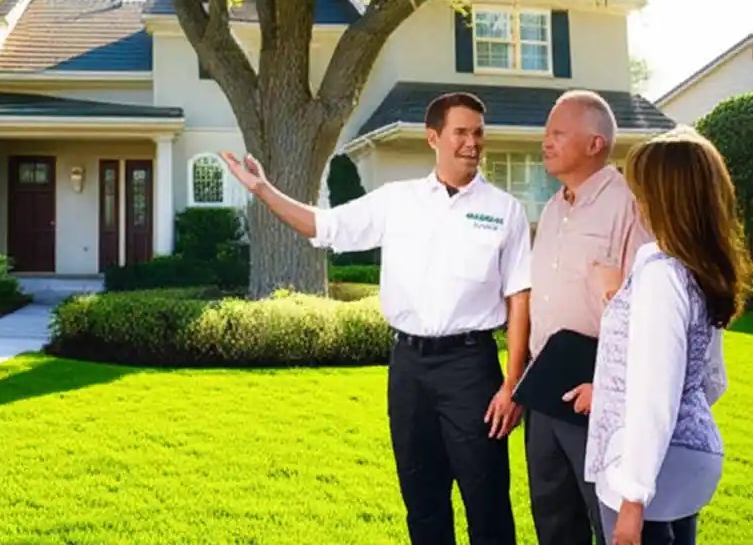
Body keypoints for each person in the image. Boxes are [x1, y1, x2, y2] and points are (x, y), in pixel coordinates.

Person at [221, 92, 531, 545]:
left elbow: (519, 296)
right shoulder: (396, 201)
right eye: (461, 132)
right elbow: (321, 226)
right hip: (408, 368)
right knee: (422, 502)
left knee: (487, 504)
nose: (472, 143)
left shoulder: (506, 210)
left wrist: (512, 385)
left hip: (471, 370)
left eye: (478, 133)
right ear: (434, 138)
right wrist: (263, 191)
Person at [583, 125, 752, 545]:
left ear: (665, 198)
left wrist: (633, 499)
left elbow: (653, 393)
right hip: (689, 457)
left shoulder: (662, 274)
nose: (635, 200)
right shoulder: (698, 268)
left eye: (641, 189)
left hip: (647, 473)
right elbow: (710, 380)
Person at [526, 90, 653, 545]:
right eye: (546, 133)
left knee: (605, 517)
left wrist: (610, 385)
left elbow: (645, 305)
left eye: (558, 133)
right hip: (544, 386)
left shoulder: (629, 205)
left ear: (596, 144)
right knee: (553, 517)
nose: (546, 142)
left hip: (598, 389)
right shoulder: (553, 208)